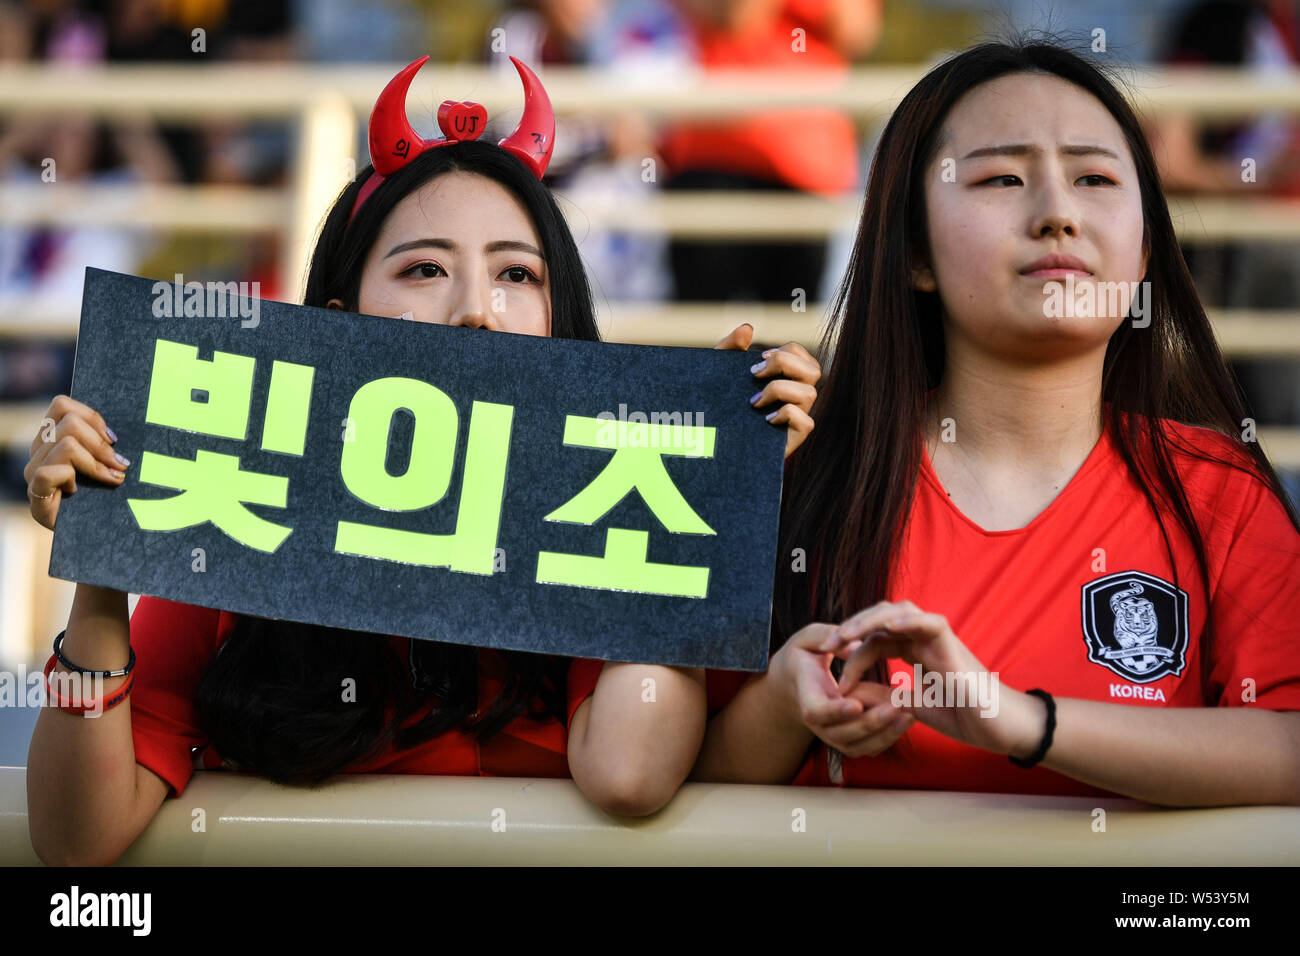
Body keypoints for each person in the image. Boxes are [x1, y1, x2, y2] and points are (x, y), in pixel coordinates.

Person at [24, 55, 820, 865]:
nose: (476, 309)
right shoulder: (233, 507)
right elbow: (75, 840)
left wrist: (686, 491)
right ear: (339, 320)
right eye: (424, 269)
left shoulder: (600, 521)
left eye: (517, 273)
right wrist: (103, 563)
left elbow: (629, 770)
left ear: (559, 319)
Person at [690, 39, 1300, 807]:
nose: (1057, 214)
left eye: (1096, 178)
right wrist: (784, 699)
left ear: (1144, 250)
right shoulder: (801, 473)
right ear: (915, 250)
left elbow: (1289, 743)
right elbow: (668, 772)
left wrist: (1021, 723)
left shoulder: (1222, 491)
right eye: (1003, 178)